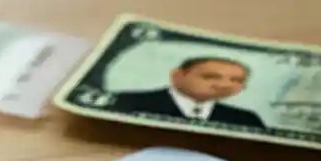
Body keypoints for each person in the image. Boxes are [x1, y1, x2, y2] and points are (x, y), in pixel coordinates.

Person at [112, 57, 266, 128]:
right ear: (177, 76)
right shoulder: (128, 102)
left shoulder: (246, 119)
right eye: (211, 77)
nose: (225, 85)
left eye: (237, 80)